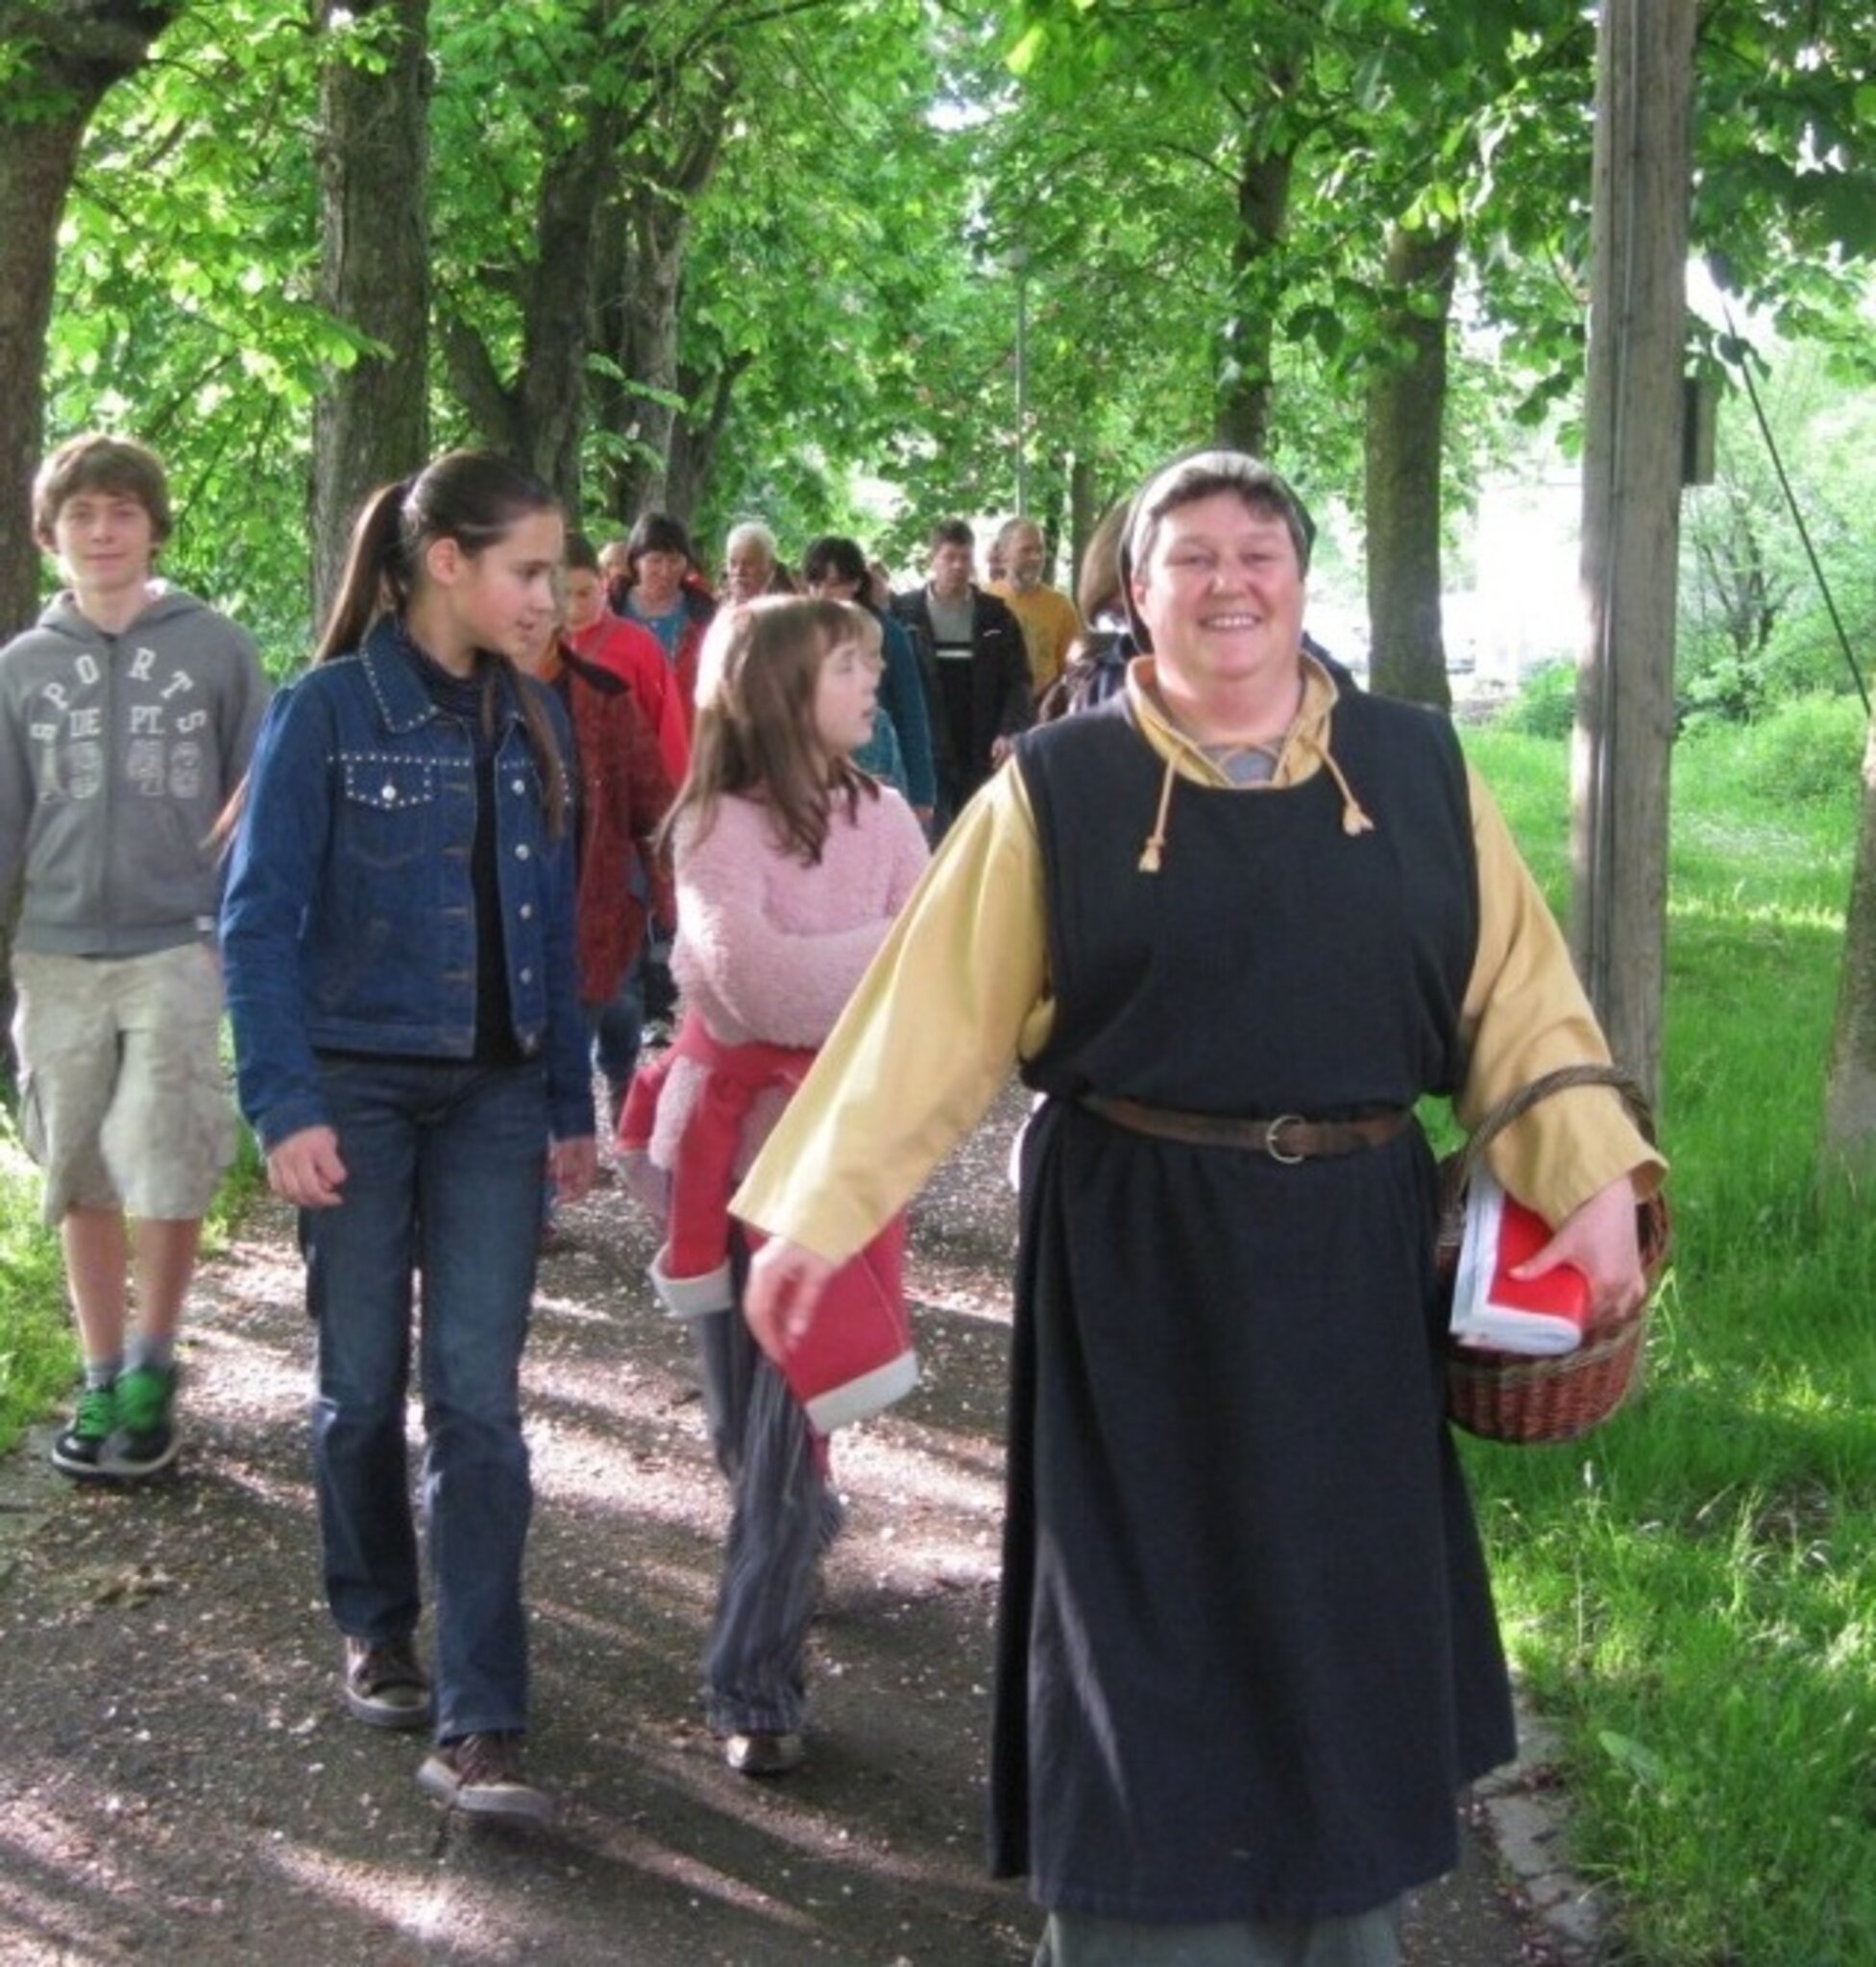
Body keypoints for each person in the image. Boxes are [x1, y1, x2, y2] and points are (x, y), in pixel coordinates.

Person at [733, 449, 1666, 1964]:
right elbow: (922, 1030)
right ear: (1133, 591)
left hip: (1355, 1266)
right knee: (1141, 1631)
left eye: (1260, 552)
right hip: (1139, 1265)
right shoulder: (1058, 790)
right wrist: (815, 1222)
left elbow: (1521, 1006)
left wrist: (1596, 1184)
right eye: (1192, 557)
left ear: (1301, 580)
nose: (1229, 581)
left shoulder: (1419, 769)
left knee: (1337, 1626)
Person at [220, 450, 596, 1828]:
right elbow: (255, 921)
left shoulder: (533, 721)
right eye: (528, 572)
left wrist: (567, 1110)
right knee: (362, 1386)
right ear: (448, 563)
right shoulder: (327, 713)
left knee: (481, 1404)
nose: (549, 598)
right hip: (359, 1095)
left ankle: (485, 1716)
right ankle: (376, 1617)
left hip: (497, 1100)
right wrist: (285, 1103)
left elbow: (551, 932)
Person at [620, 596, 928, 1779]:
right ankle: (793, 1530)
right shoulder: (714, 824)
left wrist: (883, 963)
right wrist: (885, 957)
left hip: (833, 1163)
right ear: (784, 685)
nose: (871, 686)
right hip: (726, 1162)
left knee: (787, 1434)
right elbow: (750, 988)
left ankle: (753, 1679)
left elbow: (939, 964)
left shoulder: (887, 811)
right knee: (745, 1433)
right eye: (851, 667)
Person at [0, 432, 269, 1481]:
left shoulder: (216, 648)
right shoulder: (21, 669)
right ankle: (99, 1366)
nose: (102, 532)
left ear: (153, 526)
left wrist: (241, 928)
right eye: (81, 516)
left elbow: (257, 804)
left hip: (175, 945)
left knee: (164, 1152)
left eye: (121, 512)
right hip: (57, 953)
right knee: (81, 1165)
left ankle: (154, 1363)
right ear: (50, 535)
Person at [515, 595, 676, 1141]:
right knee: (517, 1072)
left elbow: (653, 807)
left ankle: (554, 1173)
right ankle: (529, 1198)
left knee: (588, 1028)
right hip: (499, 919)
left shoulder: (603, 697)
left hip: (590, 910)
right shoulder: (471, 692)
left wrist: (667, 905)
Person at [890, 519, 1030, 831]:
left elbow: (1018, 681)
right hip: (927, 753)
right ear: (933, 560)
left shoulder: (997, 617)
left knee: (980, 839)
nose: (957, 566)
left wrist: (1009, 732)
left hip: (982, 752)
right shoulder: (904, 615)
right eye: (949, 558)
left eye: (964, 558)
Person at [802, 533, 938, 825]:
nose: (824, 592)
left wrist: (922, 793)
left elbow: (912, 713)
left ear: (855, 583)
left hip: (879, 763)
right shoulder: (796, 637)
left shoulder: (888, 634)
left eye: (835, 583)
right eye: (816, 583)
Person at [563, 532, 689, 789]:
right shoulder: (528, 644)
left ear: (602, 581)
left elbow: (670, 734)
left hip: (624, 793)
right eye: (562, 594)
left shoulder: (639, 646)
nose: (574, 608)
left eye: (584, 593)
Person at [989, 516, 1082, 702]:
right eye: (1026, 550)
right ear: (1003, 554)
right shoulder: (985, 600)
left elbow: (1074, 669)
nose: (1036, 558)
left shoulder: (1060, 606)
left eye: (1040, 549)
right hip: (997, 712)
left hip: (1044, 711)